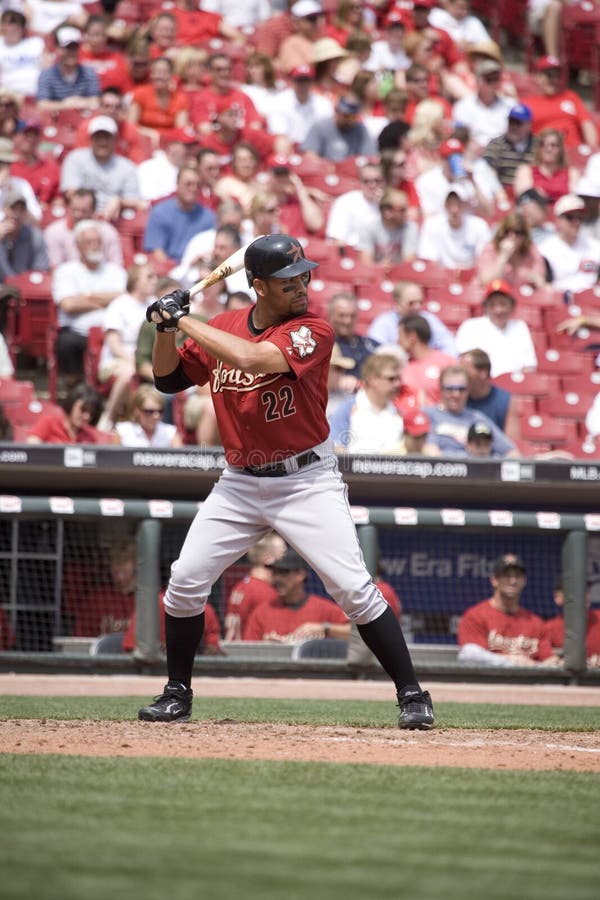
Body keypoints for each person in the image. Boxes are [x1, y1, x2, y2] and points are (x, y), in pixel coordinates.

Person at [137, 232, 434, 729]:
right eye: (287, 279)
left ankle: (412, 694)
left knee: (353, 590)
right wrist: (167, 331)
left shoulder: (313, 329)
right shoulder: (226, 325)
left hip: (305, 480)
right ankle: (177, 693)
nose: (302, 284)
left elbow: (252, 359)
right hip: (239, 481)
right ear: (258, 286)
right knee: (185, 581)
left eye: (304, 275)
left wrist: (182, 317)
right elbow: (167, 379)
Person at [52, 219, 127, 384]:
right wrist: (106, 300)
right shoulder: (65, 271)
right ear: (78, 245)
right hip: (77, 332)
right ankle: (74, 387)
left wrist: (86, 297)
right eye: (89, 242)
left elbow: (125, 298)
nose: (95, 245)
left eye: (98, 241)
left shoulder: (116, 271)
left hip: (110, 332)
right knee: (66, 343)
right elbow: (68, 305)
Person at [457, 553, 560, 666]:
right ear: (494, 580)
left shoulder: (535, 622)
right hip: (490, 681)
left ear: (524, 581)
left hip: (527, 681)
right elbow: (471, 656)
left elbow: (547, 659)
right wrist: (511, 661)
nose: (513, 581)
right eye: (507, 576)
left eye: (517, 576)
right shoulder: (475, 616)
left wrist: (555, 663)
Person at [96, 262, 159, 431]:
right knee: (129, 372)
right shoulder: (119, 304)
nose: (155, 280)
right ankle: (109, 416)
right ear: (136, 281)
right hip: (118, 360)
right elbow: (114, 344)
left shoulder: (155, 304)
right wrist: (137, 362)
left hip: (146, 361)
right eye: (149, 277)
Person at [243, 547, 351, 642]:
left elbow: (355, 634)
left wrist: (325, 628)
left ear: (300, 574)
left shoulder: (324, 608)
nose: (277, 578)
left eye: (283, 572)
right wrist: (265, 646)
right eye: (274, 572)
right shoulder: (262, 611)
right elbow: (249, 650)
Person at [59, 116, 143, 221]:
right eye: (98, 137)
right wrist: (98, 207)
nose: (102, 142)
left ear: (115, 140)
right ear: (90, 139)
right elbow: (71, 192)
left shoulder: (127, 167)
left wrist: (119, 201)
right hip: (81, 218)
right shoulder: (75, 158)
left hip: (115, 221)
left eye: (107, 137)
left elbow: (136, 201)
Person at [424, 364, 517, 457]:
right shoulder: (428, 415)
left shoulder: (476, 418)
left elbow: (512, 452)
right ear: (441, 389)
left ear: (468, 390)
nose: (456, 394)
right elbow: (431, 453)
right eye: (449, 389)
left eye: (461, 389)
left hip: (476, 469)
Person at [455, 280, 538, 378]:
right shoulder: (470, 326)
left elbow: (529, 365)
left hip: (515, 385)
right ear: (485, 307)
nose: (498, 310)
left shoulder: (520, 327)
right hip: (481, 384)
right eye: (492, 305)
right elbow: (463, 361)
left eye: (503, 304)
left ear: (511, 306)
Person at [328, 351, 406, 454]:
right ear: (372, 379)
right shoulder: (347, 409)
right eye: (391, 379)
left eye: (399, 379)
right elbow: (337, 448)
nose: (397, 384)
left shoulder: (399, 412)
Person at [142, 166, 217, 265]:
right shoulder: (160, 213)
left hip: (197, 269)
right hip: (168, 270)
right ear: (177, 185)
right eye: (188, 184)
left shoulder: (208, 217)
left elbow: (211, 250)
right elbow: (157, 252)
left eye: (197, 185)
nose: (193, 188)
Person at [522, 55, 598, 150]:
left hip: (575, 151)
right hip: (546, 153)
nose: (554, 80)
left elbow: (586, 123)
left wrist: (593, 150)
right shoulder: (527, 103)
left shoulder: (570, 97)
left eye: (557, 76)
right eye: (549, 75)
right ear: (537, 77)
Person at [367, 279, 457, 356]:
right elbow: (376, 351)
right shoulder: (384, 322)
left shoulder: (429, 319)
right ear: (397, 304)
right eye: (411, 303)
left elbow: (449, 345)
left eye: (420, 302)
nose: (417, 307)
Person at [223, 532, 286, 641]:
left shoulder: (241, 585)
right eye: (282, 555)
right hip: (250, 652)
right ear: (267, 559)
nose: (286, 561)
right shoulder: (265, 592)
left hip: (234, 649)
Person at [417, 183, 492, 270]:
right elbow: (429, 258)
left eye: (458, 204)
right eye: (450, 204)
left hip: (472, 275)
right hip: (441, 277)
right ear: (445, 205)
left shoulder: (479, 225)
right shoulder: (432, 224)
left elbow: (485, 258)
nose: (455, 210)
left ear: (465, 205)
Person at [44, 187, 123, 268]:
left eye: (83, 211)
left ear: (93, 211)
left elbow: (116, 265)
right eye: (74, 210)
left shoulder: (108, 232)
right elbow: (55, 267)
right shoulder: (54, 232)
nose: (78, 215)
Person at [72, 541, 137, 637]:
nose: (118, 567)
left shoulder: (151, 600)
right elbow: (79, 639)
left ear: (135, 564)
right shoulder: (97, 599)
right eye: (115, 562)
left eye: (124, 561)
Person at [537, 194, 600, 293]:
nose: (576, 222)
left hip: (592, 300)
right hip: (561, 301)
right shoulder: (545, 249)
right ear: (558, 220)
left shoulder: (595, 246)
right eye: (570, 217)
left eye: (580, 217)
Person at [475, 211, 548, 290]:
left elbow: (540, 282)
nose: (512, 236)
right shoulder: (490, 249)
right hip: (493, 298)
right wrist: (503, 257)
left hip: (522, 298)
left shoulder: (532, 251)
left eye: (518, 232)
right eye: (507, 231)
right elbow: (487, 282)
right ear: (501, 233)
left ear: (525, 235)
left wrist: (533, 278)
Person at [452, 58, 513, 151]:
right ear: (478, 81)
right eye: (489, 79)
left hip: (504, 155)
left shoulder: (510, 105)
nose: (493, 83)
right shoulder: (463, 107)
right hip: (474, 156)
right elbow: (460, 137)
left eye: (496, 79)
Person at [266, 63, 334, 147]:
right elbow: (279, 134)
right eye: (299, 81)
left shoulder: (323, 104)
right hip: (289, 147)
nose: (303, 85)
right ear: (292, 81)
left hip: (315, 149)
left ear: (312, 82)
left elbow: (327, 133)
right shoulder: (279, 101)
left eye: (306, 81)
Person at [459, 348, 521, 441]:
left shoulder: (504, 400)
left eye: (465, 373)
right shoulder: (457, 396)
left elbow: (512, 441)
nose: (461, 377)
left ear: (483, 373)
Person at [36, 25, 100, 113]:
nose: (71, 52)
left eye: (74, 48)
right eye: (67, 48)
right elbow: (42, 105)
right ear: (57, 49)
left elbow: (95, 102)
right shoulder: (47, 74)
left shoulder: (88, 72)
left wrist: (77, 102)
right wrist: (65, 105)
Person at [398, 314, 457, 407]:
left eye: (400, 335)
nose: (397, 341)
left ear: (412, 337)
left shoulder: (447, 363)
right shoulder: (401, 366)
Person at [301, 93, 378, 163]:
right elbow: (309, 156)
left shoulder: (360, 129)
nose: (349, 120)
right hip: (325, 173)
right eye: (346, 115)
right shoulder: (320, 126)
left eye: (352, 117)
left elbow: (371, 157)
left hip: (351, 174)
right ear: (336, 111)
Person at [325, 161, 385, 248]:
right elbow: (336, 239)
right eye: (366, 181)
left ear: (384, 181)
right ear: (359, 182)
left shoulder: (389, 203)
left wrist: (383, 205)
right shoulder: (346, 202)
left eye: (377, 181)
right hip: (353, 251)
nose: (372, 185)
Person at [544, 577, 600, 669]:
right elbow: (545, 662)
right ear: (558, 597)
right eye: (574, 591)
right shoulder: (549, 628)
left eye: (585, 590)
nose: (582, 595)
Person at [513, 128, 581, 204]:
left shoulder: (571, 173)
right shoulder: (526, 170)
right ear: (538, 148)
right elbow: (524, 197)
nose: (548, 149)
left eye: (553, 145)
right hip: (536, 212)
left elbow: (575, 199)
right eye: (543, 145)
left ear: (560, 149)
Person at [26, 383, 108, 445]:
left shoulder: (89, 438)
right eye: (83, 410)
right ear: (71, 404)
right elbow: (32, 446)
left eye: (92, 413)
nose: (87, 416)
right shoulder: (49, 423)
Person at [356, 187, 419, 267]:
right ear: (387, 212)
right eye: (402, 209)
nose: (407, 213)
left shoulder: (410, 227)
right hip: (374, 275)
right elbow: (365, 264)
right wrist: (379, 267)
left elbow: (409, 264)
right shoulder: (368, 226)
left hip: (400, 276)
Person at [0, 186, 49, 283]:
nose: (16, 214)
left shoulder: (34, 236)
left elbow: (40, 270)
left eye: (21, 209)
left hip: (26, 288)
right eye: (13, 208)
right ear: (4, 209)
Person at [483, 103, 535, 190]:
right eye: (511, 122)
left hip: (531, 194)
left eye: (518, 123)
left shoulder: (538, 146)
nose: (514, 127)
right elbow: (488, 172)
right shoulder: (496, 145)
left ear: (529, 124)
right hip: (502, 193)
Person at [327, 291, 379, 377]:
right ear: (330, 316)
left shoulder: (368, 344)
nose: (348, 321)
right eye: (342, 315)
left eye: (352, 316)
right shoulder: (323, 345)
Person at [115, 384, 183, 448]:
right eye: (149, 411)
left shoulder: (170, 433)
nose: (156, 416)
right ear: (136, 410)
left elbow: (181, 457)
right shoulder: (122, 431)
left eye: (160, 411)